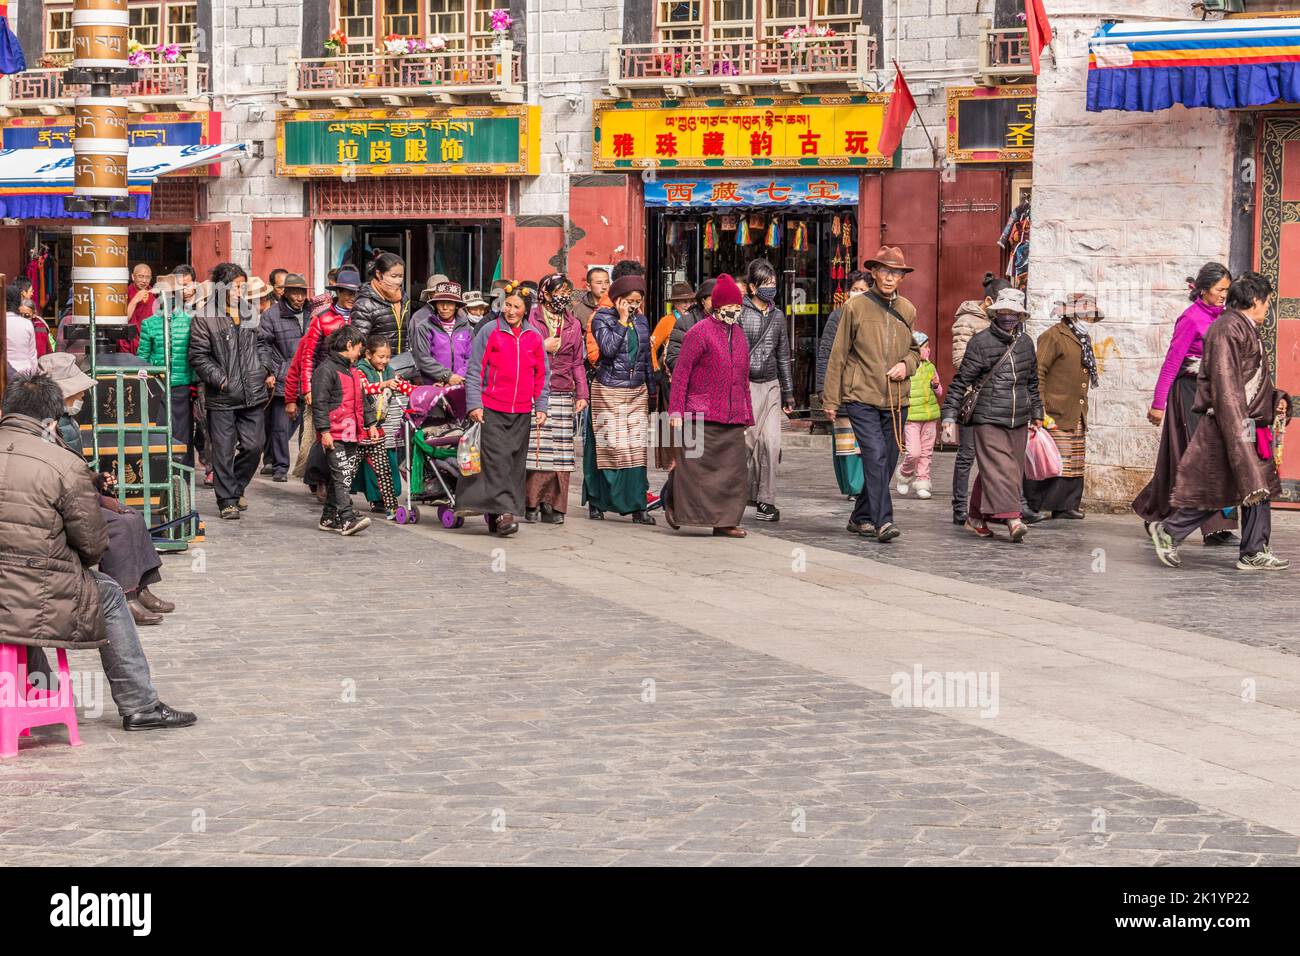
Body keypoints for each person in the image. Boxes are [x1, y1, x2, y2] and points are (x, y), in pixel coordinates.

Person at [0, 373, 197, 731]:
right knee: (105, 591)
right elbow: (92, 545)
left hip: (14, 594)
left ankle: (43, 692)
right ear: (50, 421)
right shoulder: (63, 463)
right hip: (32, 590)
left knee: (18, 599)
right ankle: (140, 703)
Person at [1150, 272, 1292, 572]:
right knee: (1218, 486)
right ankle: (1169, 531)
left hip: (1247, 420)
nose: (1268, 307)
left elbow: (1251, 379)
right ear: (1255, 300)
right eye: (1266, 300)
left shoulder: (1244, 328)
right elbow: (1226, 386)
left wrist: (1274, 399)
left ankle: (1254, 550)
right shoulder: (1226, 330)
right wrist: (1239, 432)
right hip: (1232, 423)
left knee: (1258, 484)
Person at [1133, 262, 1238, 545]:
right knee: (1196, 456)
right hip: (1189, 395)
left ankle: (1162, 512)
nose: (1223, 295)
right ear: (1203, 290)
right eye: (1219, 290)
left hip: (1215, 394)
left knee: (1216, 454)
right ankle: (1207, 523)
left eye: (1227, 290)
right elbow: (1172, 362)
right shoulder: (1190, 319)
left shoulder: (1227, 317)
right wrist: (1158, 403)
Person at [822, 247, 922, 543]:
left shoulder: (907, 310)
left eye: (896, 272)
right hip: (861, 396)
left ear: (902, 277)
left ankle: (860, 516)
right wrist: (830, 398)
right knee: (875, 456)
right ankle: (883, 521)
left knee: (888, 460)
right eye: (885, 271)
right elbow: (838, 354)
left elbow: (915, 351)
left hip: (895, 400)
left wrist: (907, 365)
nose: (890, 277)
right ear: (874, 273)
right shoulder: (856, 308)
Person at [941, 288, 1043, 543]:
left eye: (1013, 312)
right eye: (1004, 312)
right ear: (996, 313)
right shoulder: (980, 342)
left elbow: (1032, 382)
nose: (1008, 317)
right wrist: (949, 416)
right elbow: (961, 381)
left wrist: (1037, 412)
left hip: (1018, 417)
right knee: (1002, 467)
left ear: (1021, 316)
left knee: (1003, 468)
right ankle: (1013, 518)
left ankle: (975, 516)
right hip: (987, 416)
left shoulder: (1026, 343)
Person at [662, 274, 753, 538]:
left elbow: (743, 378)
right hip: (700, 412)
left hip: (733, 414)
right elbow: (681, 375)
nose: (733, 313)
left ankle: (725, 521)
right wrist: (676, 411)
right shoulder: (697, 333)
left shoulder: (739, 335)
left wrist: (747, 414)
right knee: (693, 469)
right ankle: (674, 503)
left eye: (737, 309)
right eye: (729, 308)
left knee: (732, 473)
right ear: (715, 306)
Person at [460, 282, 549, 536]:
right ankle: (504, 514)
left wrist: (541, 405)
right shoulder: (489, 331)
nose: (510, 310)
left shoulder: (534, 337)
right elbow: (475, 369)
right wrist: (474, 403)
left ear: (525, 310)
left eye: (516, 306)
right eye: (506, 305)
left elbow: (542, 374)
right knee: (497, 461)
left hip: (521, 410)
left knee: (513, 463)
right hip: (491, 408)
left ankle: (496, 512)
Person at [188, 262, 272, 520]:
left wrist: (264, 368)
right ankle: (227, 500)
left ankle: (234, 487)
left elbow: (263, 344)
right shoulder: (205, 317)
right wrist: (222, 380)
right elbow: (198, 356)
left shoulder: (249, 312)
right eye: (236, 286)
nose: (240, 291)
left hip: (253, 394)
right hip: (222, 396)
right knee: (223, 452)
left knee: (254, 446)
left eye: (242, 286)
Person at [583, 272, 656, 525]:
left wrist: (652, 390)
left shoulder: (643, 321)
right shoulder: (602, 318)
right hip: (608, 390)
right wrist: (622, 321)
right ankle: (598, 500)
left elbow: (646, 357)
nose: (635, 306)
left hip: (636, 391)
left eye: (638, 301)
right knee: (608, 448)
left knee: (636, 450)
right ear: (619, 299)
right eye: (630, 301)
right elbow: (609, 349)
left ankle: (637, 505)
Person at [1024, 293, 1103, 519]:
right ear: (1073, 315)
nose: (1088, 320)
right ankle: (1034, 503)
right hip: (1055, 408)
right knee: (1050, 459)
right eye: (1085, 315)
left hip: (1075, 408)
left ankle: (1066, 504)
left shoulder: (1082, 339)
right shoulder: (1053, 337)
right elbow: (1038, 371)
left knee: (1073, 459)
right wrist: (1038, 407)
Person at [285, 266, 360, 486]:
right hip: (326, 382)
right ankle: (320, 480)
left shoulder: (360, 318)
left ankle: (340, 481)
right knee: (322, 433)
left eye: (354, 293)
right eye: (346, 292)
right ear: (338, 292)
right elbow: (307, 356)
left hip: (352, 383)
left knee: (348, 433)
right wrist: (307, 388)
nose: (350, 297)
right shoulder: (322, 319)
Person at [951, 272, 1013, 525]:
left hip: (999, 400)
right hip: (973, 398)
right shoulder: (967, 321)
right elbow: (959, 361)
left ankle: (992, 506)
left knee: (997, 456)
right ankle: (959, 507)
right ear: (989, 302)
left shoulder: (1005, 322)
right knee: (967, 454)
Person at [525, 273, 588, 524]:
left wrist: (582, 393)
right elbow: (520, 349)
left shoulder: (573, 323)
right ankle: (531, 503)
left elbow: (577, 362)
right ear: (546, 293)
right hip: (535, 389)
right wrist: (542, 345)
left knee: (561, 453)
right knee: (537, 451)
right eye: (558, 292)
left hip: (563, 390)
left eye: (567, 293)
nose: (563, 297)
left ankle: (554, 506)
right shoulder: (531, 318)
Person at [738, 258, 794, 522]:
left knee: (771, 443)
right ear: (752, 287)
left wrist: (789, 392)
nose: (771, 287)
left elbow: (783, 354)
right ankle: (739, 494)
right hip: (745, 384)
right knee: (747, 444)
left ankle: (766, 501)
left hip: (771, 385)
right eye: (765, 283)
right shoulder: (739, 313)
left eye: (773, 282)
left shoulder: (778, 316)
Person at [312, 325, 377, 536]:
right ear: (349, 345)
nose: (360, 353)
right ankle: (347, 518)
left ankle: (329, 516)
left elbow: (363, 402)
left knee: (343, 476)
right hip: (334, 433)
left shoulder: (353, 371)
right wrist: (324, 431)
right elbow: (319, 404)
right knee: (342, 475)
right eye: (358, 348)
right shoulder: (326, 370)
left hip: (351, 433)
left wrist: (371, 424)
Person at [816, 271, 870, 498]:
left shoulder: (876, 318)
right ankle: (853, 487)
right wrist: (824, 391)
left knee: (868, 444)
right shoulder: (837, 317)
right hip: (843, 391)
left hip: (868, 391)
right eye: (855, 289)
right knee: (847, 443)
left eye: (864, 291)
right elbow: (826, 354)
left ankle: (866, 487)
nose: (858, 294)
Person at [138, 265, 199, 467]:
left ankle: (182, 471)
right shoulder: (149, 323)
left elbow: (195, 353)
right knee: (160, 430)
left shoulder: (192, 320)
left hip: (183, 385)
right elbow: (143, 357)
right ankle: (160, 469)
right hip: (158, 387)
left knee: (182, 431)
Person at [354, 334, 414, 518]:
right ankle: (374, 499)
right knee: (365, 465)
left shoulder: (390, 370)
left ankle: (389, 501)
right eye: (381, 356)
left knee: (386, 464)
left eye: (388, 357)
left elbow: (405, 387)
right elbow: (362, 389)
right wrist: (384, 384)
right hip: (365, 426)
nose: (385, 361)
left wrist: (425, 392)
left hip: (385, 426)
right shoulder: (359, 371)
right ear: (368, 354)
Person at [258, 271, 309, 482]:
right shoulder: (271, 315)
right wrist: (269, 370)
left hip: (308, 376)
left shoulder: (312, 312)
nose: (299, 298)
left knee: (302, 426)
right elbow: (263, 345)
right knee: (280, 426)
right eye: (294, 293)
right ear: (285, 293)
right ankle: (280, 467)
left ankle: (303, 469)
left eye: (302, 293)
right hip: (283, 376)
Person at [897, 331, 943, 500]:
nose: (928, 350)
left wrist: (936, 386)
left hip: (930, 417)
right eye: (925, 347)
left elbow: (939, 392)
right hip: (911, 417)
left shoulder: (931, 368)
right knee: (913, 452)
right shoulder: (908, 367)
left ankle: (923, 482)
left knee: (926, 453)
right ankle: (905, 474)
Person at [410, 279, 472, 392]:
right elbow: (422, 358)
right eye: (440, 302)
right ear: (435, 304)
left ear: (456, 306)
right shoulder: (425, 327)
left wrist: (458, 378)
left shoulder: (466, 328)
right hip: (434, 386)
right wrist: (447, 377)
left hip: (461, 385)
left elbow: (471, 358)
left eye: (449, 303)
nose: (444, 307)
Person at [352, 252, 409, 352]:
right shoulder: (365, 303)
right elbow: (358, 344)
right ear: (379, 274)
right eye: (393, 276)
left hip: (403, 363)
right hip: (376, 364)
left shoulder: (403, 298)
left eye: (401, 276)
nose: (398, 281)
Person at [665, 278, 715, 374]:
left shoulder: (729, 323)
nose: (687, 305)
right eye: (713, 299)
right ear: (703, 301)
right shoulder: (684, 322)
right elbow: (673, 358)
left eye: (690, 301)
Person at [122, 262, 156, 354]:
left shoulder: (154, 295)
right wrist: (135, 300)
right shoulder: (124, 293)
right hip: (129, 340)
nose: (144, 280)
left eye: (147, 277)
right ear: (133, 277)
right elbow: (123, 320)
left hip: (148, 340)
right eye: (141, 276)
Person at [4, 285, 37, 376]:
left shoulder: (3, 322)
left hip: (4, 374)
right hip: (25, 375)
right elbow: (32, 356)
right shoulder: (27, 324)